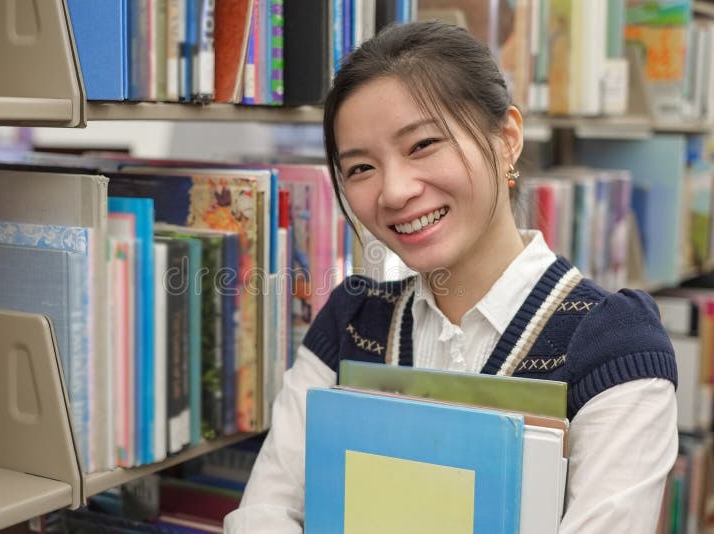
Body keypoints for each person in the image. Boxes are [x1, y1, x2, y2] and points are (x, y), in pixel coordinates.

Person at [224, 20, 678, 533]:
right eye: (360, 168)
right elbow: (264, 512)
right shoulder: (351, 321)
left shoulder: (614, 345)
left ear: (506, 138)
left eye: (422, 145)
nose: (393, 192)